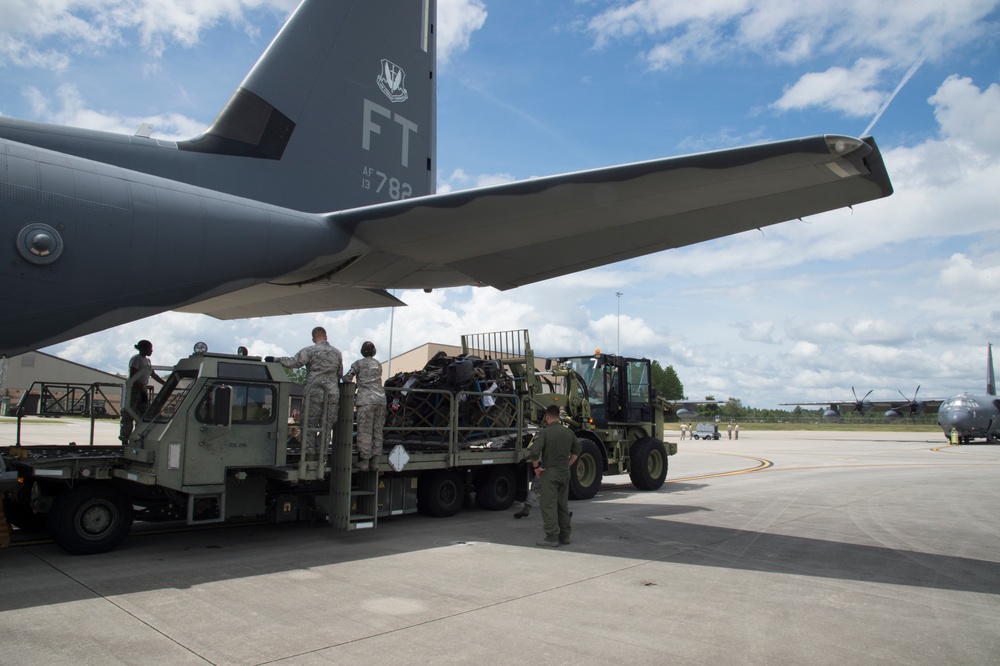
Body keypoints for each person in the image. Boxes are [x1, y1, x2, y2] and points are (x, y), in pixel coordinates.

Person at [266, 327, 342, 456]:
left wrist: (275, 360)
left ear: (313, 338)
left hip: (315, 392)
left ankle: (309, 456)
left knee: (308, 425)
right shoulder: (337, 353)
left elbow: (294, 362)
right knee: (327, 426)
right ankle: (321, 456)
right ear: (326, 337)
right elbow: (339, 373)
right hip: (332, 393)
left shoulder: (310, 350)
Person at [529, 405, 582, 547]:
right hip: (564, 472)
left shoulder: (545, 432)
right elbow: (577, 450)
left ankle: (551, 537)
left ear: (547, 416)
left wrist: (536, 468)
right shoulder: (569, 432)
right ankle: (565, 536)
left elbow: (534, 451)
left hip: (550, 473)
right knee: (562, 505)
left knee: (548, 505)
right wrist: (568, 464)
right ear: (558, 416)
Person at [342, 341, 386, 472]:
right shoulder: (378, 364)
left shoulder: (358, 364)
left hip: (366, 401)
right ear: (374, 352)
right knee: (377, 430)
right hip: (381, 399)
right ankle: (375, 462)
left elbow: (347, 378)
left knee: (365, 431)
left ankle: (365, 461)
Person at [119, 339, 165, 442]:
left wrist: (166, 384)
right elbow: (133, 376)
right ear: (143, 349)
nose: (151, 351)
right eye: (149, 348)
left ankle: (138, 436)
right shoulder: (136, 359)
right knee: (129, 413)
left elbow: (153, 375)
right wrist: (140, 390)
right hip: (134, 390)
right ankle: (125, 438)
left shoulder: (148, 361)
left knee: (143, 414)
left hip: (142, 389)